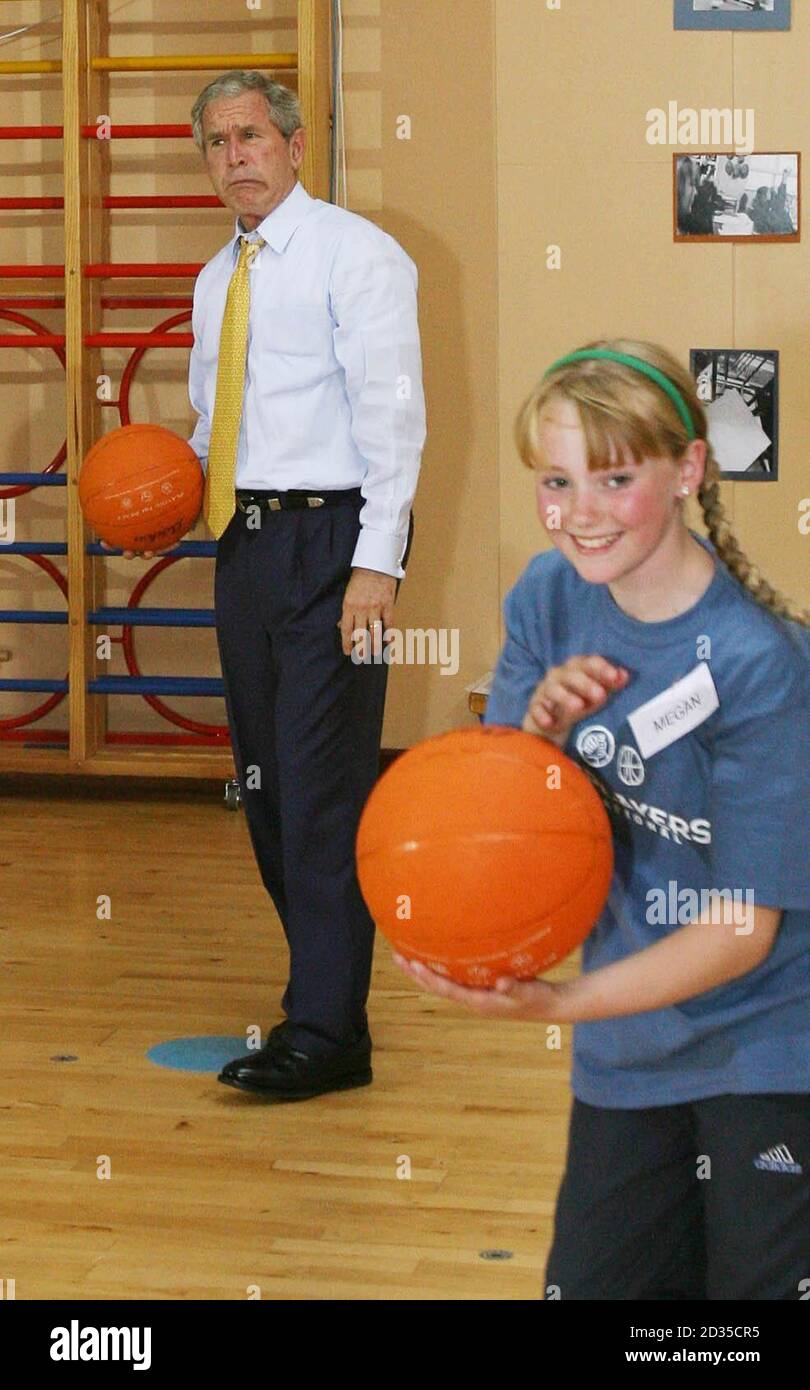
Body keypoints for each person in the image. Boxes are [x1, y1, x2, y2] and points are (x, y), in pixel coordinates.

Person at [396, 339, 810, 1299]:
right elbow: (499, 817)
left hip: (773, 1048)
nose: (579, 513)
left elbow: (742, 932)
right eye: (555, 479)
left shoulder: (763, 667)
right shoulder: (550, 598)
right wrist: (538, 730)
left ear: (687, 471)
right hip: (633, 1047)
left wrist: (557, 1005)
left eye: (615, 477)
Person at [176, 70, 424, 1101]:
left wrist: (377, 566)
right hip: (246, 548)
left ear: (294, 145)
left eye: (252, 136)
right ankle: (321, 1003)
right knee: (270, 793)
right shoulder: (213, 278)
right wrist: (160, 498)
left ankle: (325, 1030)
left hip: (333, 552)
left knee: (322, 797)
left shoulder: (359, 258)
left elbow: (395, 422)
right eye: (218, 142)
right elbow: (208, 424)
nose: (237, 155)